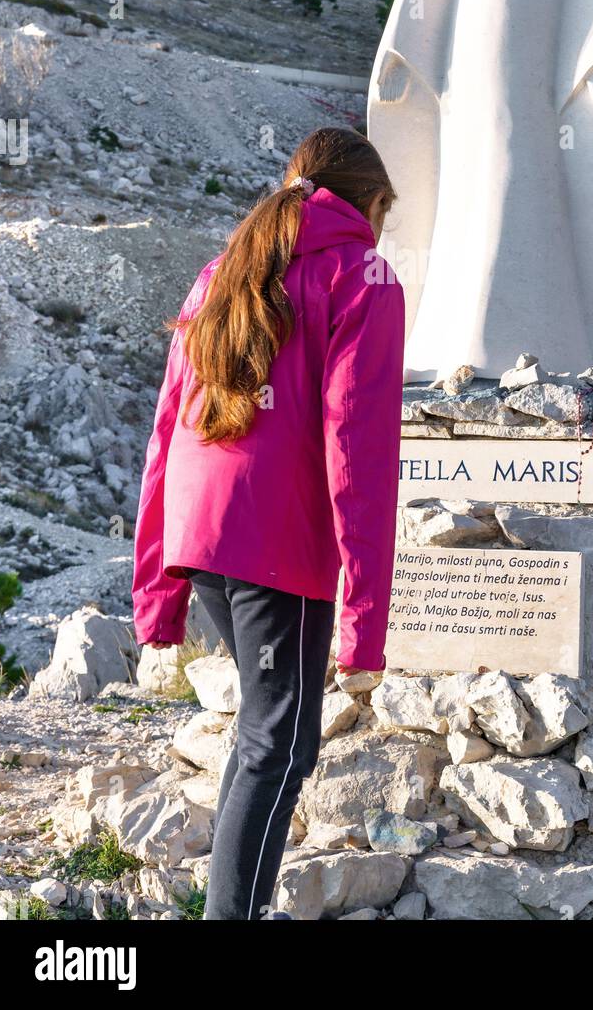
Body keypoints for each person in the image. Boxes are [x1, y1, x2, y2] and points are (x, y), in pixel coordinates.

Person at [131, 127, 405, 920]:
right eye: (387, 210)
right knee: (279, 747)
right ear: (371, 203)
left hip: (200, 532)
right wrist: (365, 631)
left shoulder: (225, 272)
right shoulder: (364, 275)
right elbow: (359, 458)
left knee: (264, 740)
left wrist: (157, 595)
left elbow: (163, 436)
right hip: (274, 541)